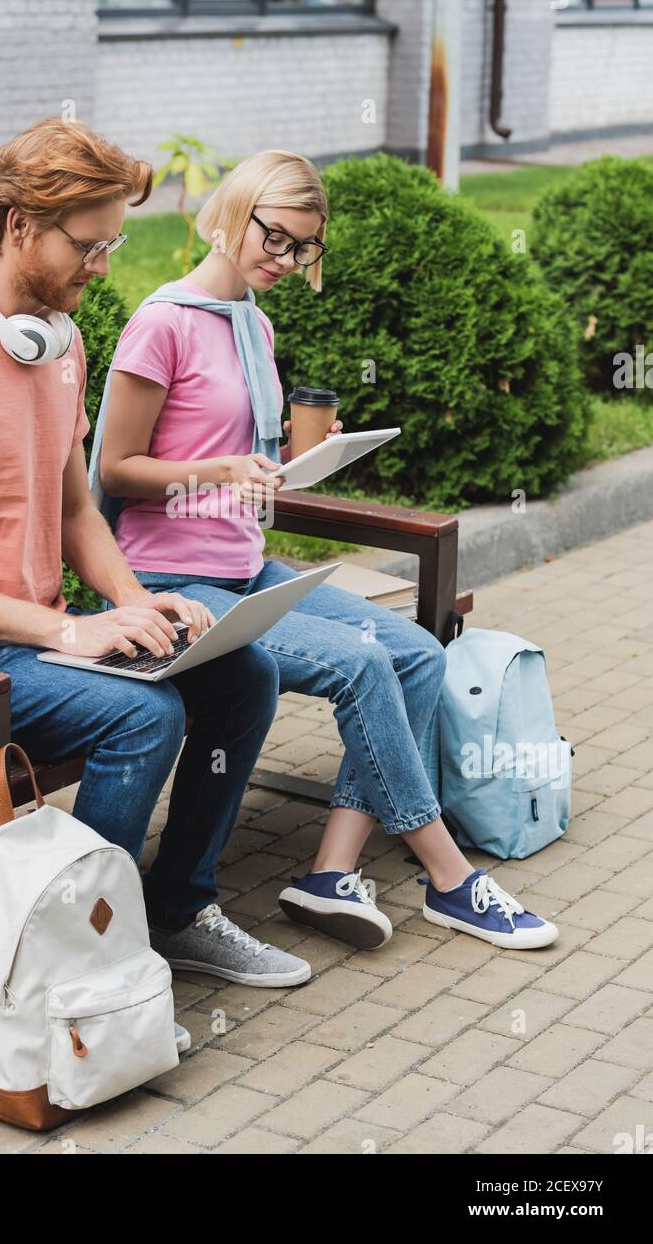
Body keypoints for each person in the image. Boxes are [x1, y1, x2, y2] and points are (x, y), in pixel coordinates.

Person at [0, 119, 314, 1012]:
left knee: (241, 674)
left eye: (114, 243)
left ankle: (175, 911)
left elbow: (74, 511)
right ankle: (68, 966)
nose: (102, 266)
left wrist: (142, 604)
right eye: (88, 244)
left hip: (27, 649)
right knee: (139, 715)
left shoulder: (58, 344)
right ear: (19, 224)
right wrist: (68, 628)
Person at [90, 149, 560, 954]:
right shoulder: (161, 321)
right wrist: (221, 470)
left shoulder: (254, 323)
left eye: (304, 247)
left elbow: (241, 462)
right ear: (234, 214)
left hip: (244, 564)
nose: (286, 260)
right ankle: (447, 875)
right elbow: (116, 471)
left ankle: (328, 872)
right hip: (170, 578)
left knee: (413, 653)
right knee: (361, 663)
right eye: (275, 238)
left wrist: (299, 462)